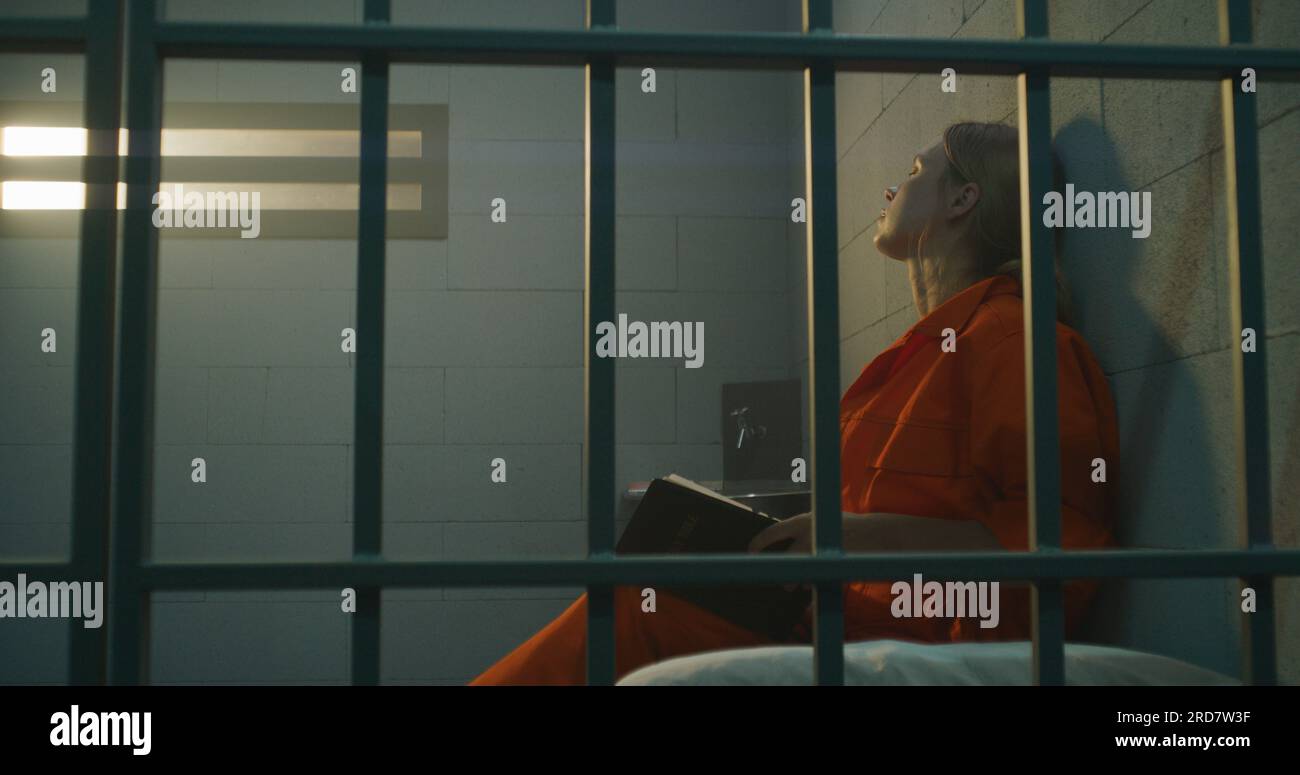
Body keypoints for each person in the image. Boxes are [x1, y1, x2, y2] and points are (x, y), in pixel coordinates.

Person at [469, 121, 1120, 685]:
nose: (892, 189)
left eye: (916, 170)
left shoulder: (1015, 338)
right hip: (841, 618)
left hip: (905, 640)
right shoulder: (933, 351)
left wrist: (839, 539)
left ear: (963, 198)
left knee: (632, 612)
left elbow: (1054, 551)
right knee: (632, 599)